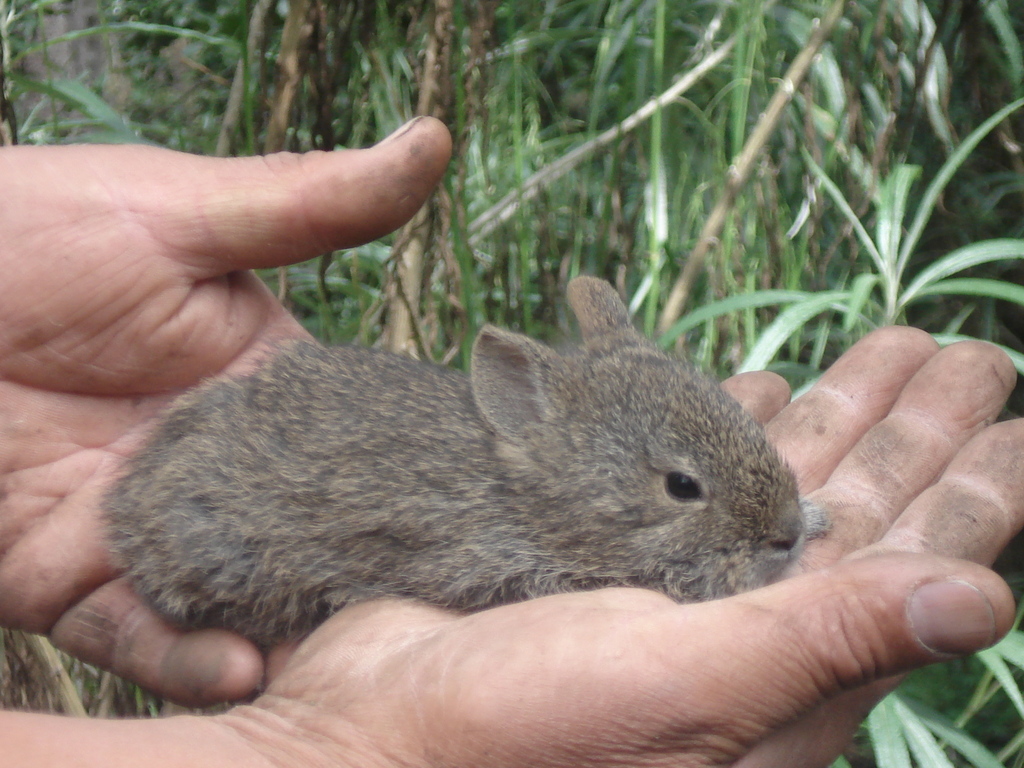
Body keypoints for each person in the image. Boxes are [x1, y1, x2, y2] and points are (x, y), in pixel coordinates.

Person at [1, 116, 1022, 767]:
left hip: (238, 443)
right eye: (681, 489)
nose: (760, 525)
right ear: (531, 425)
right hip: (196, 518)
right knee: (220, 567)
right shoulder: (488, 518)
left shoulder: (551, 483)